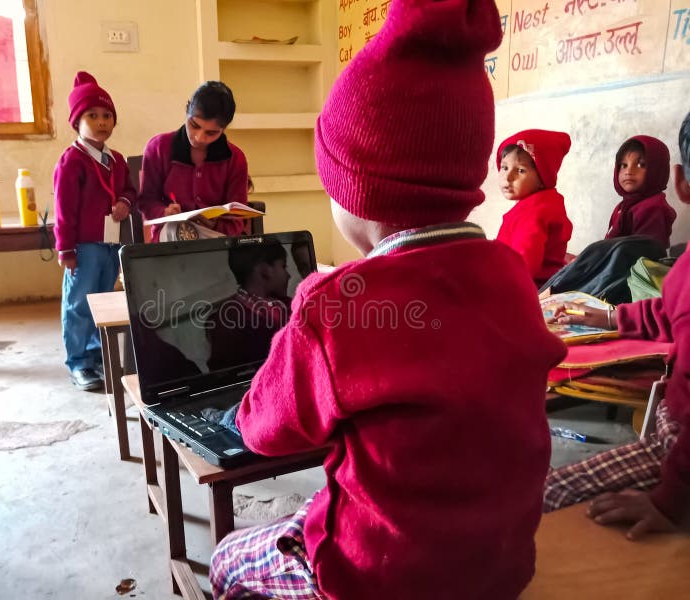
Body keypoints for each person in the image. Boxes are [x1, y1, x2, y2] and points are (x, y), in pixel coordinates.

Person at [208, 1, 567, 598]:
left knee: (227, 558)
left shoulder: (335, 305)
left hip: (378, 578)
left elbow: (265, 431)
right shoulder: (508, 275)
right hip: (499, 567)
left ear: (359, 189)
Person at [543, 111, 690, 540]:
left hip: (676, 446)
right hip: (671, 425)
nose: (629, 172)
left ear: (677, 182)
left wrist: (669, 502)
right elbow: (665, 312)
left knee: (549, 495)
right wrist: (609, 316)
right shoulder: (684, 270)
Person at [53, 71, 136, 391]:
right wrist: (66, 249)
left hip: (110, 244)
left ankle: (97, 354)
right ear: (76, 121)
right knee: (79, 303)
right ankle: (78, 362)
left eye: (107, 115)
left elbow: (130, 189)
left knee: (103, 301)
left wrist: (126, 202)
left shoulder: (115, 159)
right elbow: (63, 209)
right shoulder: (71, 161)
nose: (101, 122)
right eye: (92, 115)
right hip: (84, 246)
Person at [137, 81, 249, 241]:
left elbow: (238, 217)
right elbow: (146, 201)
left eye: (211, 133)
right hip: (170, 238)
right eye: (194, 125)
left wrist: (216, 225)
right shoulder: (159, 147)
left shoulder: (235, 158)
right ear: (186, 110)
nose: (199, 137)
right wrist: (165, 212)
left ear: (224, 129)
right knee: (176, 232)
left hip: (215, 238)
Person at [496, 129, 573, 287]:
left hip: (529, 290)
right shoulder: (539, 203)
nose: (508, 177)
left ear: (542, 178)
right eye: (504, 167)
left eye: (520, 170)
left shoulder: (535, 212)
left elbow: (523, 265)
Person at [206, 239, 291, 372]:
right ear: (264, 271)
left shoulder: (289, 304)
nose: (288, 275)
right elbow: (223, 373)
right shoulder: (228, 318)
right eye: (283, 266)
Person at [605, 135, 676, 249]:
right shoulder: (623, 206)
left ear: (657, 170)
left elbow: (641, 254)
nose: (628, 171)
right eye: (624, 165)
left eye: (641, 164)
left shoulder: (653, 208)